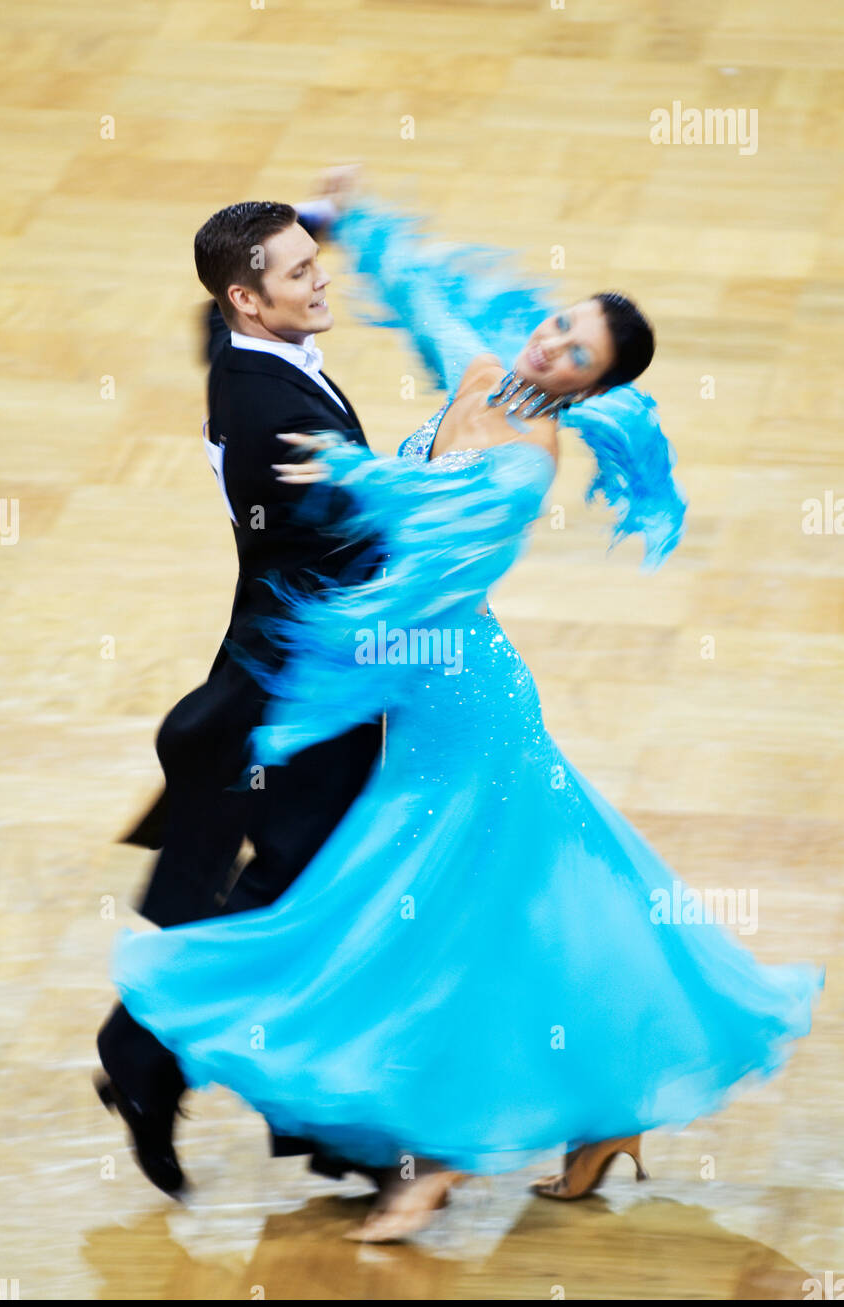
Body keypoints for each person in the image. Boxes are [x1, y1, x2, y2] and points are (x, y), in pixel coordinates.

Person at [109, 186, 823, 1242]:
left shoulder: (531, 463)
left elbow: (436, 546)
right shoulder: (485, 372)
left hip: (453, 686)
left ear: (591, 387)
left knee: (454, 898)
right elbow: (438, 310)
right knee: (515, 888)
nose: (548, 345)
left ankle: (440, 1147)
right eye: (556, 321)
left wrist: (352, 474)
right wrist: (368, 240)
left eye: (574, 352)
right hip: (407, 683)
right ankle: (577, 1118)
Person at [96, 173, 389, 1196]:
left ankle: (306, 1114)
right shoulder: (271, 422)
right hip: (298, 692)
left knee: (293, 892)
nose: (322, 281)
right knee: (291, 898)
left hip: (290, 680)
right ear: (247, 302)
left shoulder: (243, 347)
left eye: (317, 262)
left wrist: (310, 218)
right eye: (302, 271)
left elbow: (215, 298)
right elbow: (360, 555)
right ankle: (150, 1055)